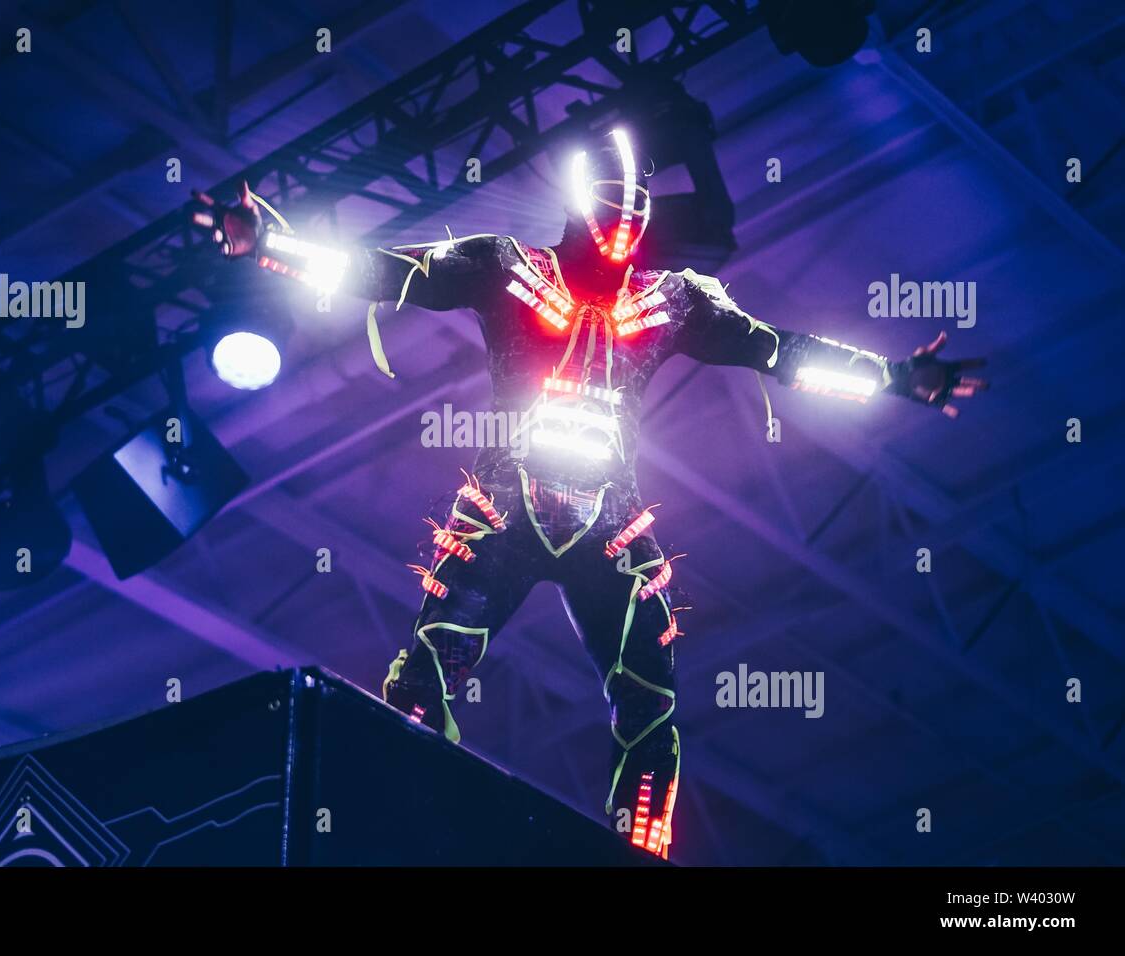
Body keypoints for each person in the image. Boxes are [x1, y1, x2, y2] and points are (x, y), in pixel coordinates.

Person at [191, 129, 987, 858]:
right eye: (609, 203)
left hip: (607, 525)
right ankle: (386, 819)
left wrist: (891, 378)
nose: (622, 221)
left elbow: (781, 352)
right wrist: (274, 245)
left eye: (634, 207)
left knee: (646, 699)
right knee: (429, 674)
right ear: (577, 203)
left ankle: (636, 849)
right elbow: (384, 271)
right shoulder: (505, 265)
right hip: (508, 509)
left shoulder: (674, 300)